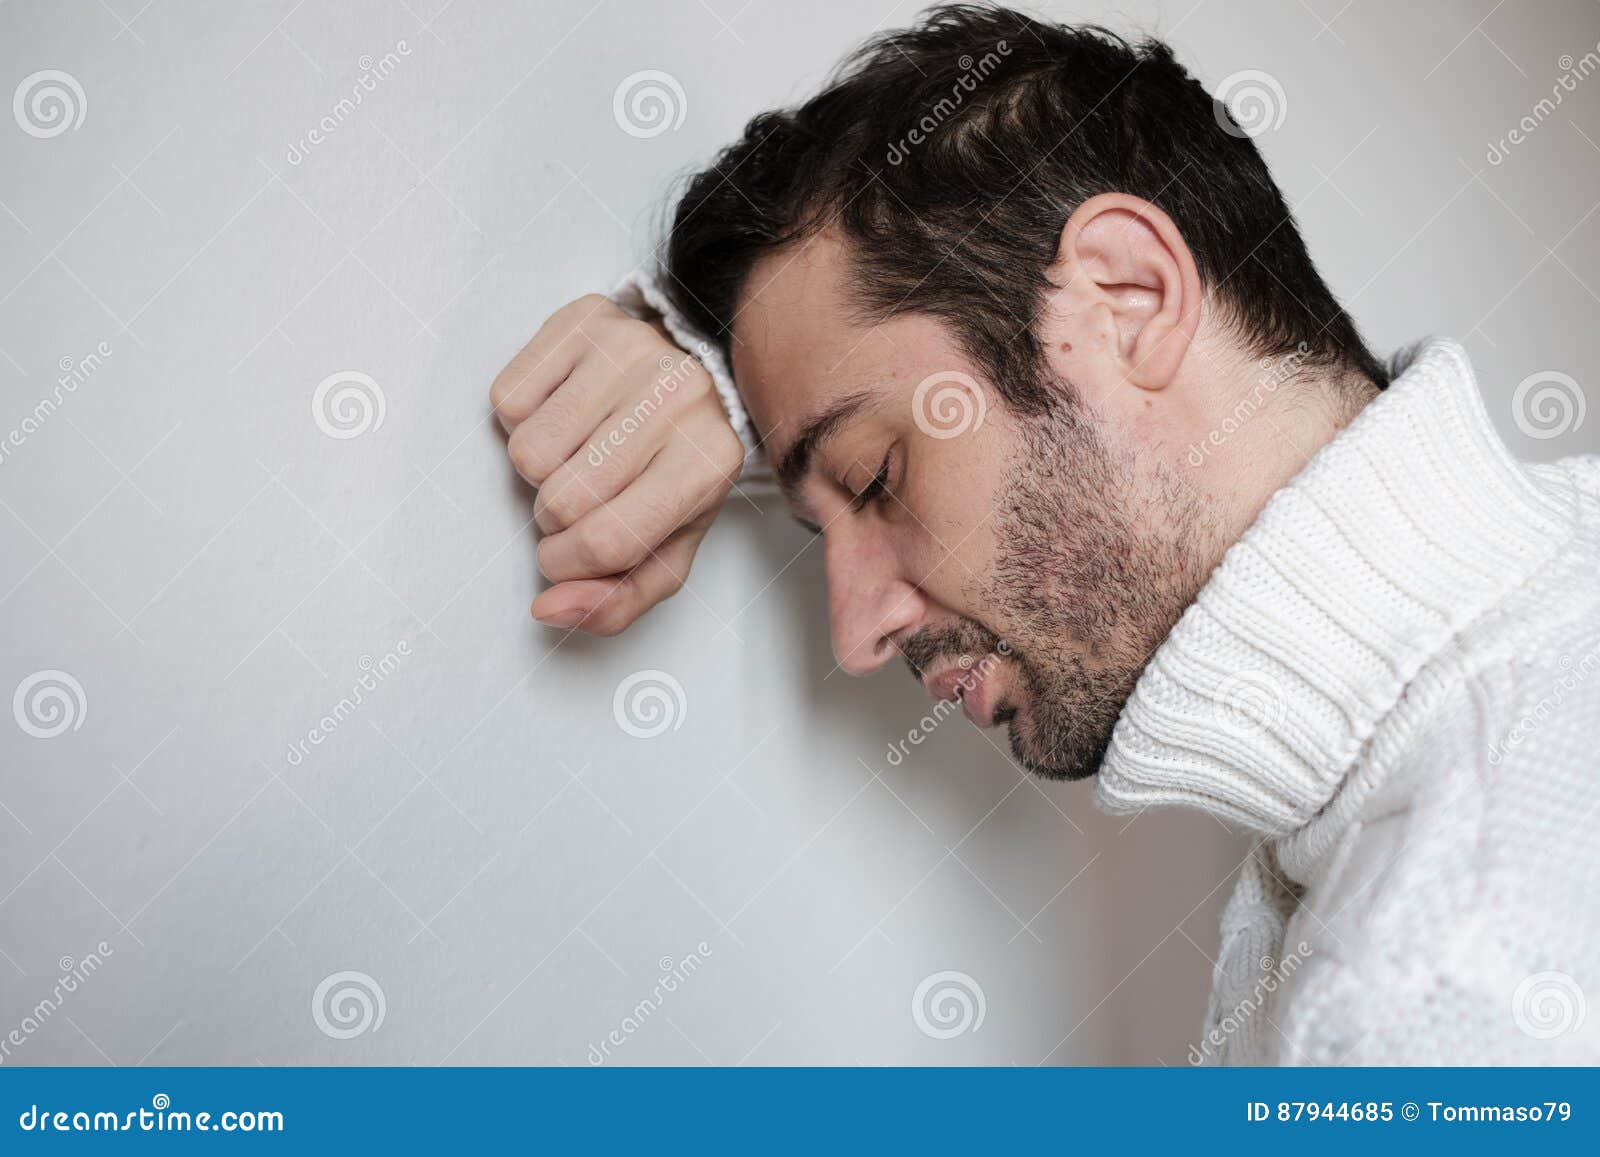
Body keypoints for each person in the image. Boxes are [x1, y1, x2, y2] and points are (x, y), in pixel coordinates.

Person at [490, 5, 1600, 1063]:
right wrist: (726, 380)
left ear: (1125, 300)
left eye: (876, 477)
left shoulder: (1442, 984)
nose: (856, 632)